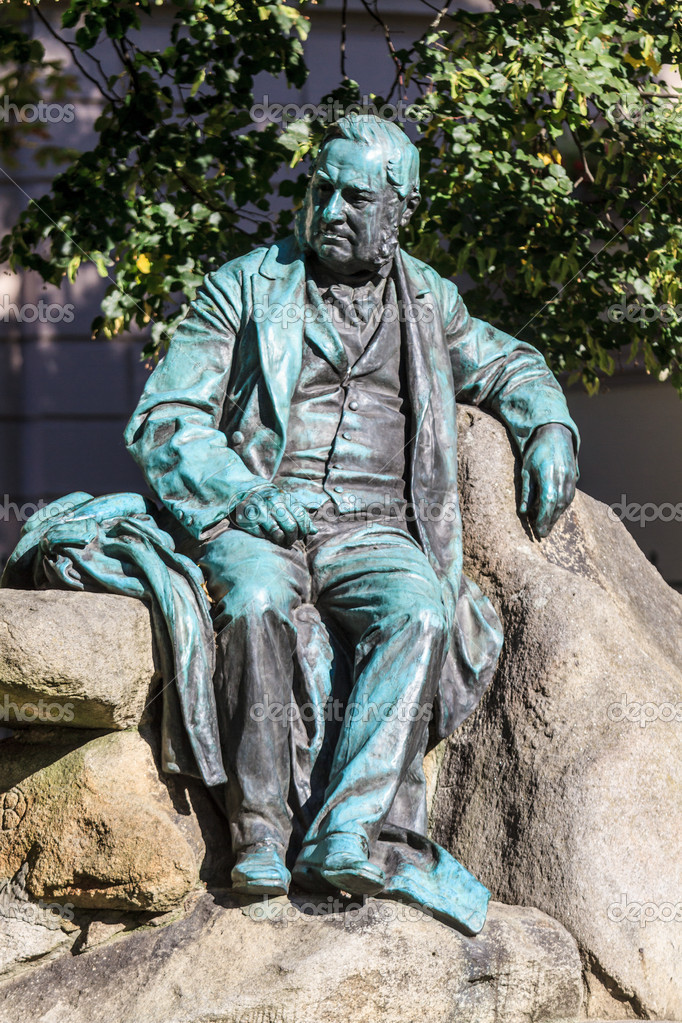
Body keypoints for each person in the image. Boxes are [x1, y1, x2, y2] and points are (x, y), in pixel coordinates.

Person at [125, 113, 578, 907]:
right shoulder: (244, 285)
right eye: (320, 189)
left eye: (355, 198)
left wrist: (548, 422)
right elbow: (167, 418)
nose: (330, 210)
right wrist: (244, 493)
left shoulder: (428, 298)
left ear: (397, 213)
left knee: (423, 611)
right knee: (259, 600)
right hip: (258, 513)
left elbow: (507, 360)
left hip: (374, 528)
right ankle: (259, 829)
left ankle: (348, 827)